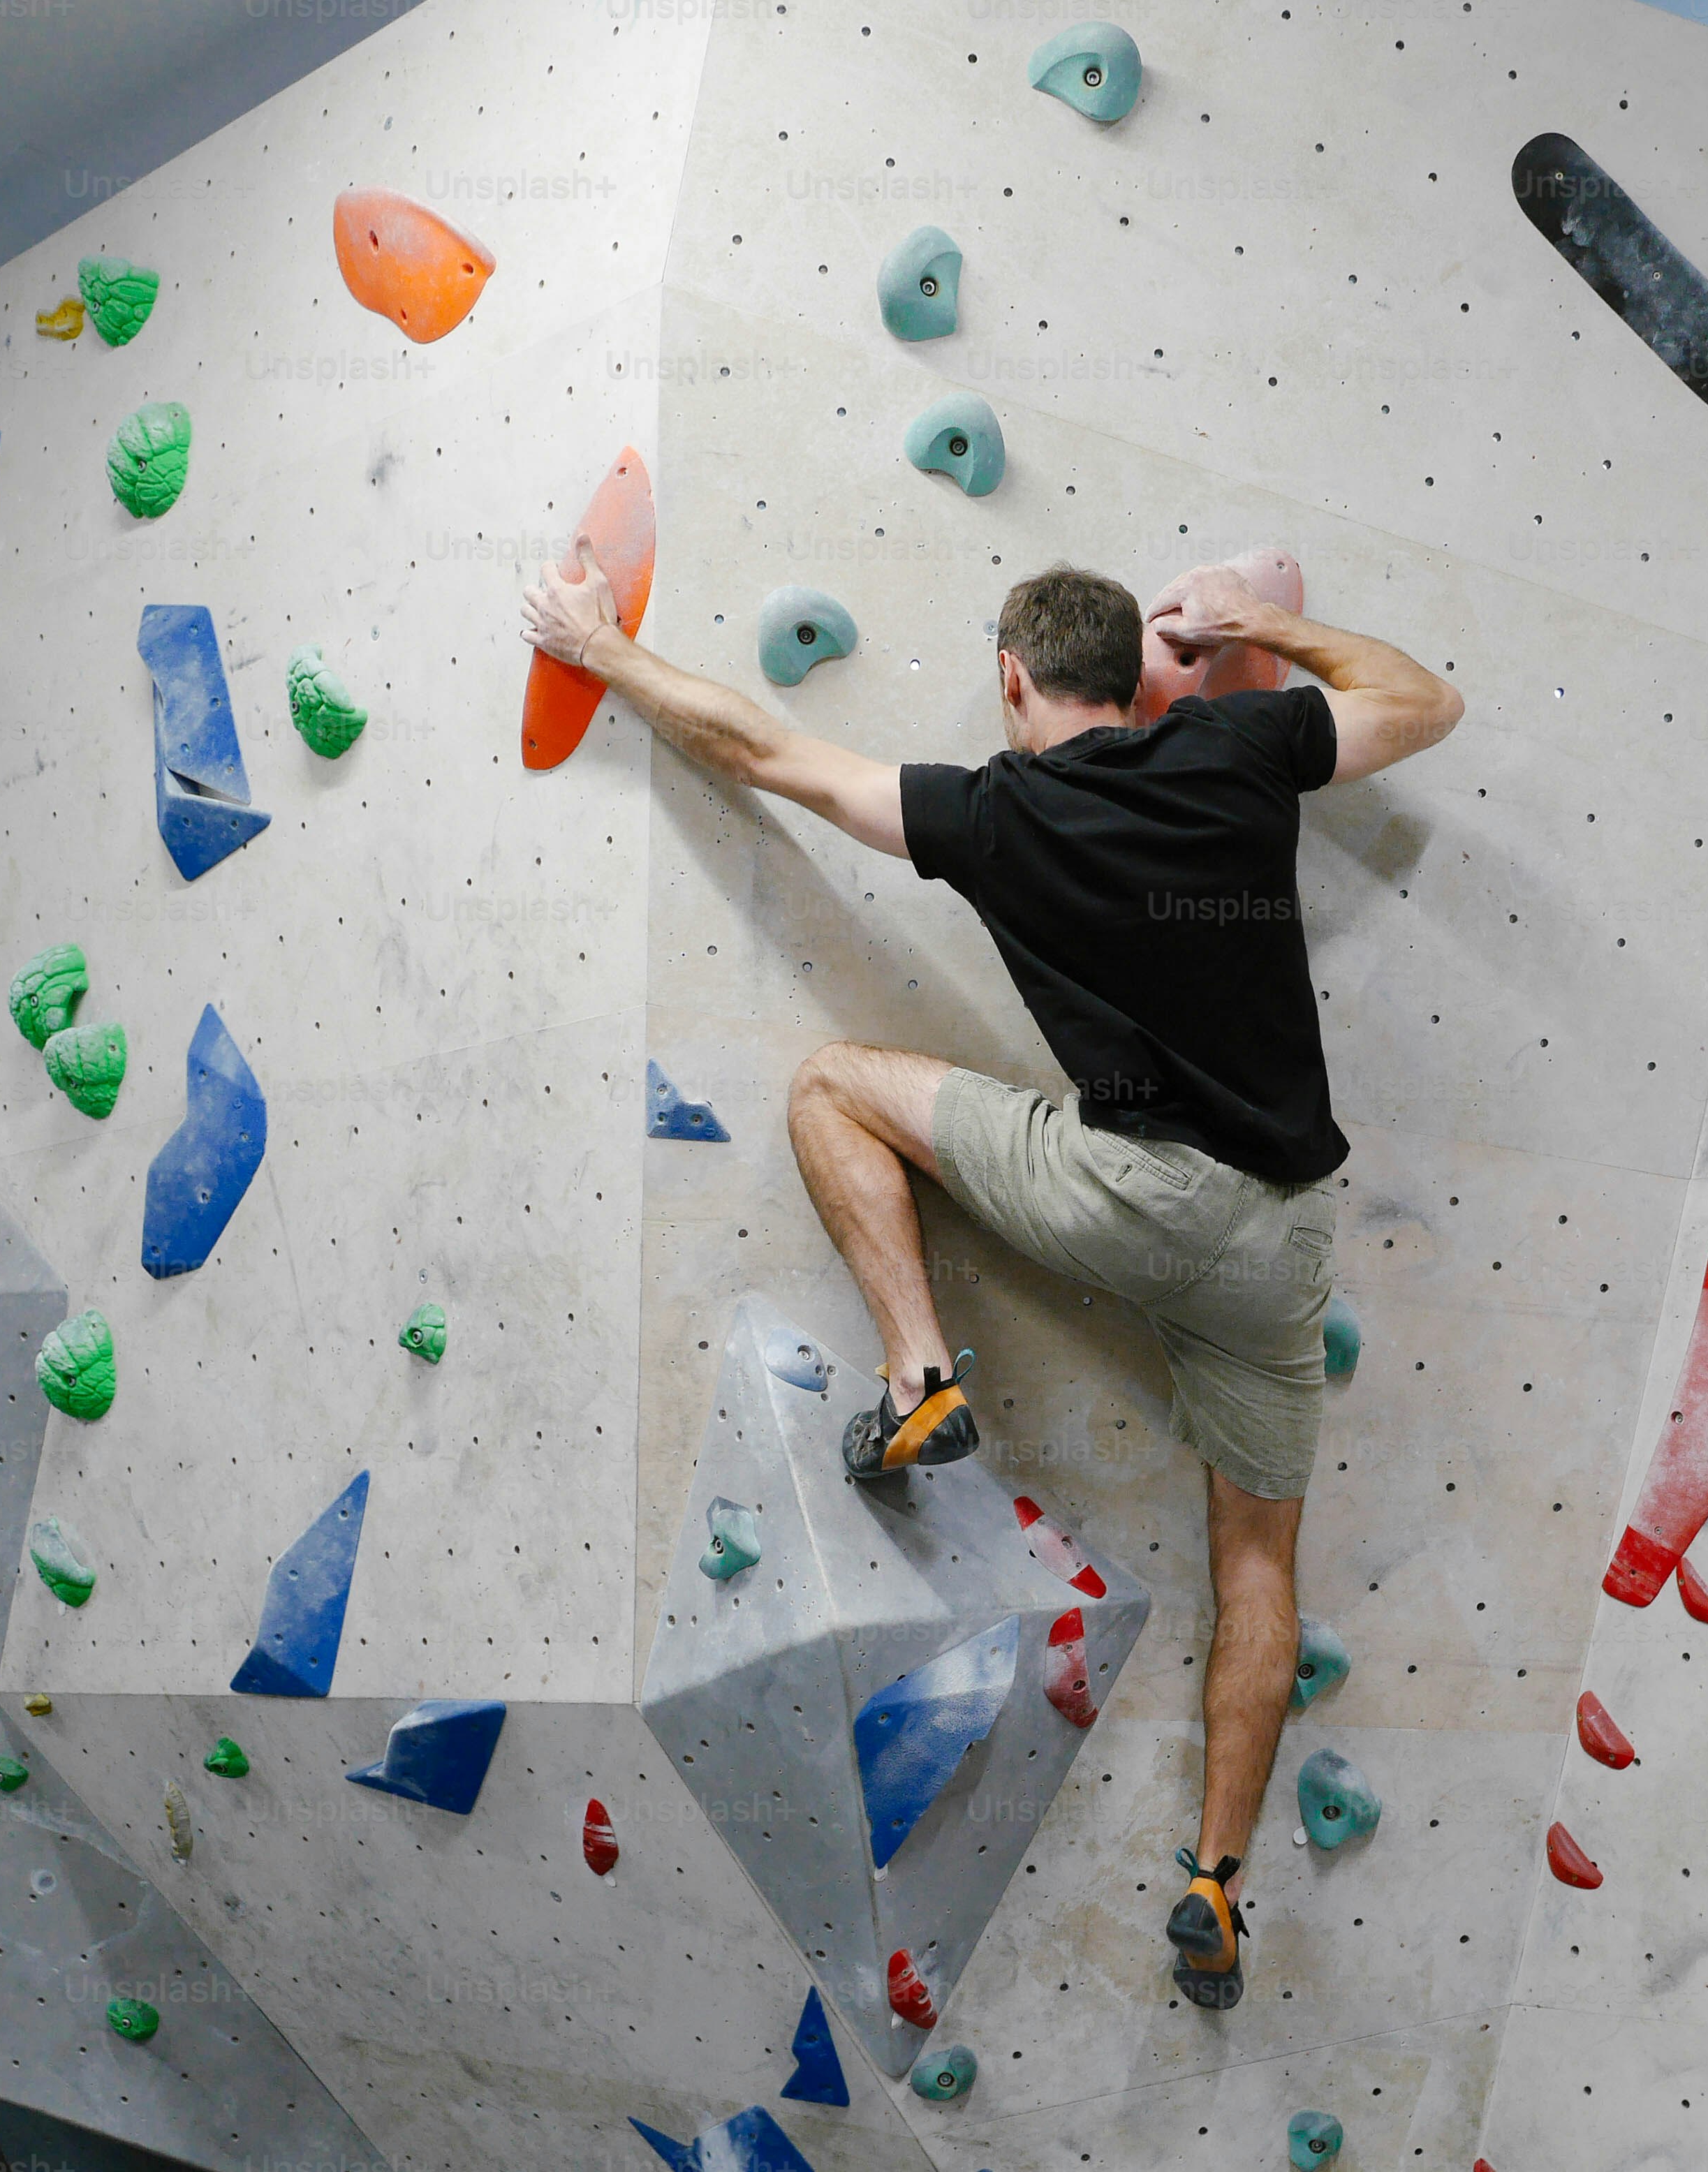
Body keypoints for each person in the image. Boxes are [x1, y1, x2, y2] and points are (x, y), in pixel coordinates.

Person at [521, 547, 1462, 2007]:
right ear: (1148, 673)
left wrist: (599, 644)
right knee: (1258, 1559)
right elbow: (1423, 699)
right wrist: (1251, 626)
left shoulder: (989, 810)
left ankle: (919, 1379)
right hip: (1282, 1236)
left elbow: (763, 751)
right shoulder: (1237, 742)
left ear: (1014, 677)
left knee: (834, 1084)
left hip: (1133, 1190)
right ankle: (1214, 1877)